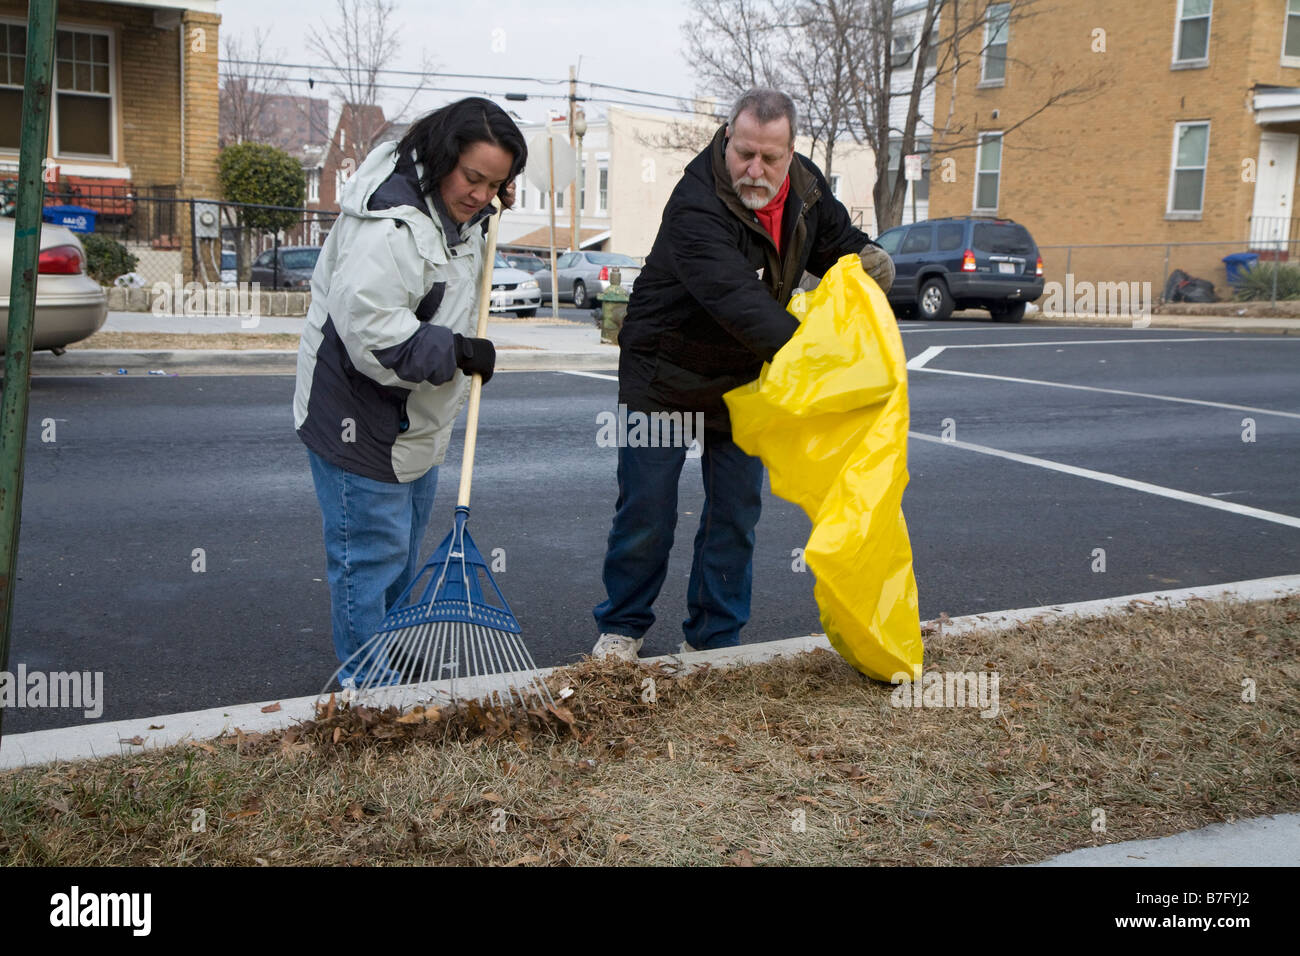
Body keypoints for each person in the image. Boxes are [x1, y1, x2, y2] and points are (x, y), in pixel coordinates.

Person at [591, 87, 895, 661]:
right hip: (663, 375)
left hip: (742, 380)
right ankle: (623, 629)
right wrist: (813, 361)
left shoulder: (805, 188)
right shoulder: (695, 203)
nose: (753, 169)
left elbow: (836, 244)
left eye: (769, 158)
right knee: (647, 509)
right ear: (728, 138)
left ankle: (712, 642)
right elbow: (737, 301)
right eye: (743, 153)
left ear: (790, 152)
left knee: (735, 512)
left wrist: (868, 258)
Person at [295, 97, 525, 687]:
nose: (480, 193)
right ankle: (367, 687)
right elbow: (371, 333)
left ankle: (389, 657)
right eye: (473, 177)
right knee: (367, 563)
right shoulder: (392, 227)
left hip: (414, 423)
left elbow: (448, 280)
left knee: (399, 556)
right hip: (361, 416)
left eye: (495, 184)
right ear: (444, 156)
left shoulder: (459, 212)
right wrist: (457, 352)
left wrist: (483, 207)